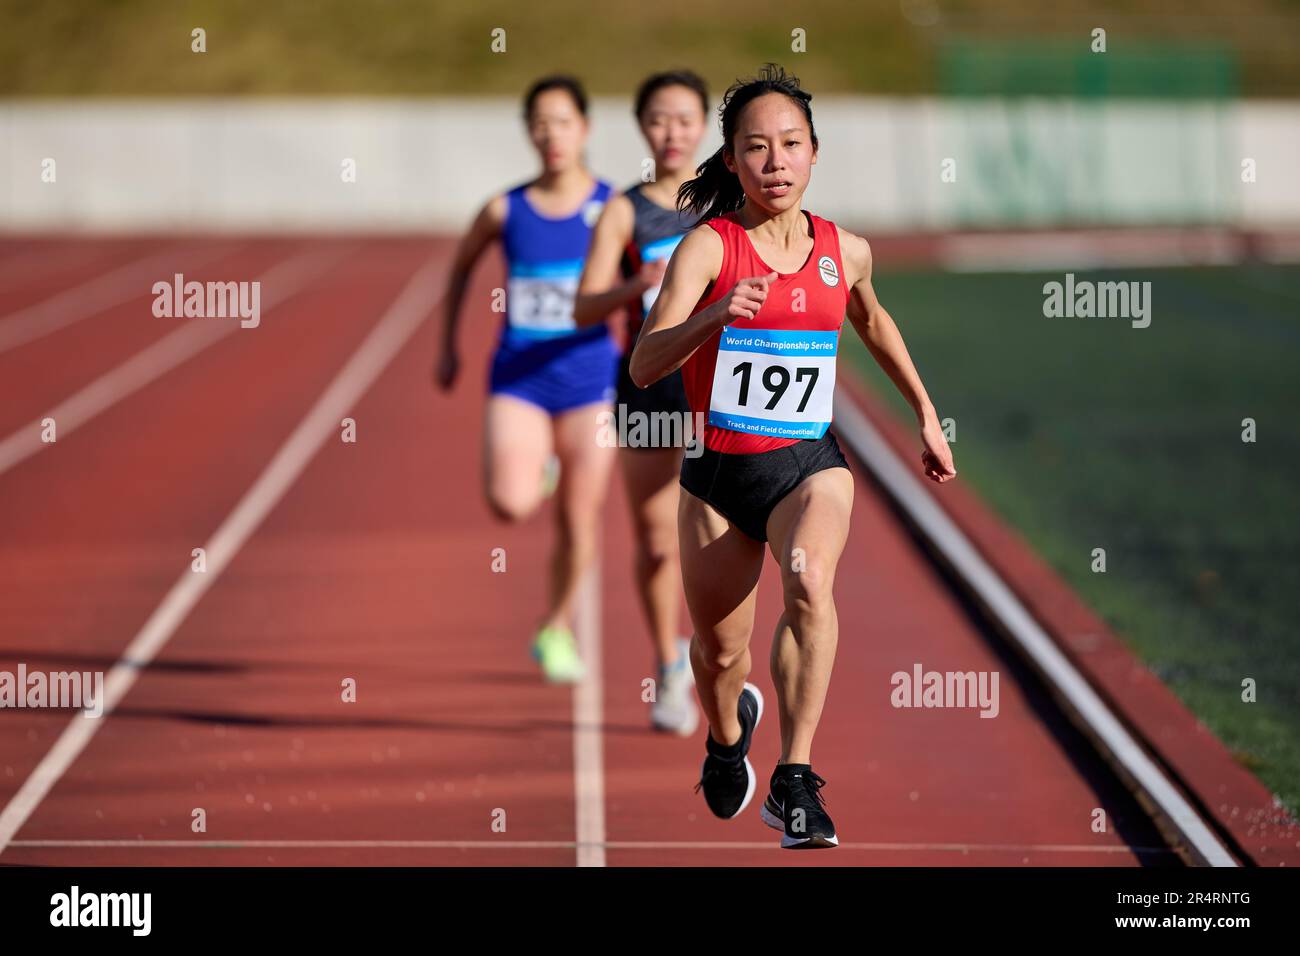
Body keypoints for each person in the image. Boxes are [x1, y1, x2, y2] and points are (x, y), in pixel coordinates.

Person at [629, 63, 957, 848]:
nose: (775, 162)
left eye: (790, 145)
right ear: (733, 161)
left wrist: (926, 414)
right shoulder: (710, 249)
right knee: (719, 653)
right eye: (756, 149)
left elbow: (873, 324)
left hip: (807, 465)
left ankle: (796, 779)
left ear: (814, 153)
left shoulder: (848, 252)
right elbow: (645, 366)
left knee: (809, 580)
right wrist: (711, 316)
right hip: (716, 479)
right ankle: (725, 735)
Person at [436, 75, 619, 683]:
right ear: (529, 133)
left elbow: (651, 282)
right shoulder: (503, 209)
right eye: (539, 123)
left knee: (579, 518)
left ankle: (557, 627)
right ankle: (537, 464)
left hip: (590, 379)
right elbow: (460, 268)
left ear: (585, 129)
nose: (551, 134)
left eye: (562, 121)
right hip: (520, 377)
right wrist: (447, 347)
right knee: (510, 504)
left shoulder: (611, 208)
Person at [572, 70, 710, 735]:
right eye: (659, 119)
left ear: (705, 125)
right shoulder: (626, 212)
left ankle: (719, 658)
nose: (673, 132)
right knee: (657, 541)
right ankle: (666, 661)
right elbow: (582, 306)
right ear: (642, 127)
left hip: (720, 388)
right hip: (650, 389)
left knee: (722, 534)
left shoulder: (730, 200)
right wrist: (637, 280)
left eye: (685, 119)